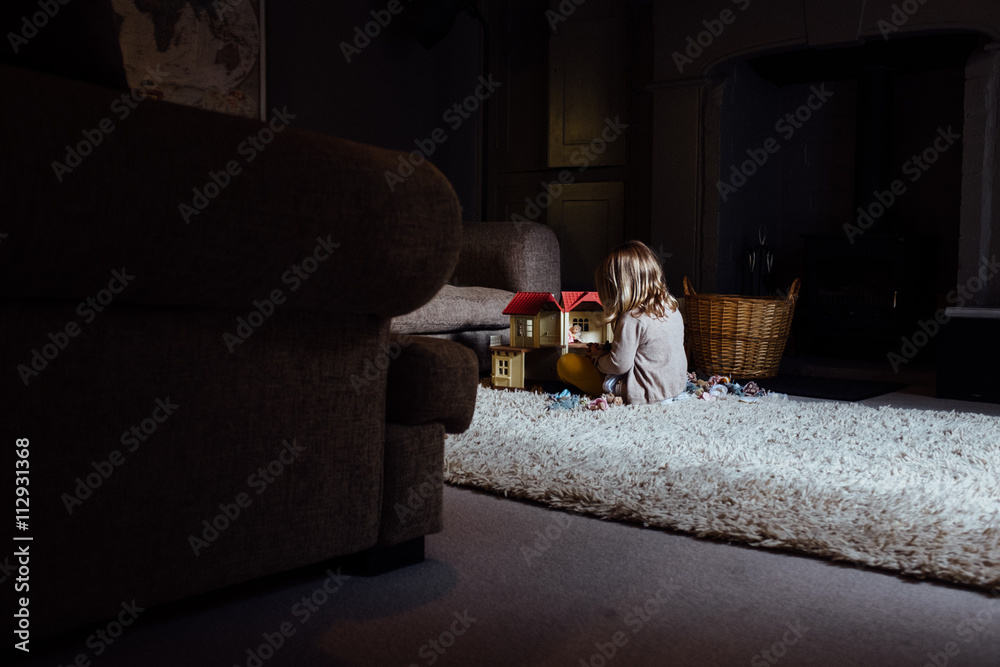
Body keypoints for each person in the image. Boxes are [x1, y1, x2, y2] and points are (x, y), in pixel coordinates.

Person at [556, 241, 687, 404]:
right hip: (674, 386)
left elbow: (618, 365)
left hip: (642, 392)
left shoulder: (632, 318)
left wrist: (597, 357)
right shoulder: (672, 308)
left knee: (565, 363)